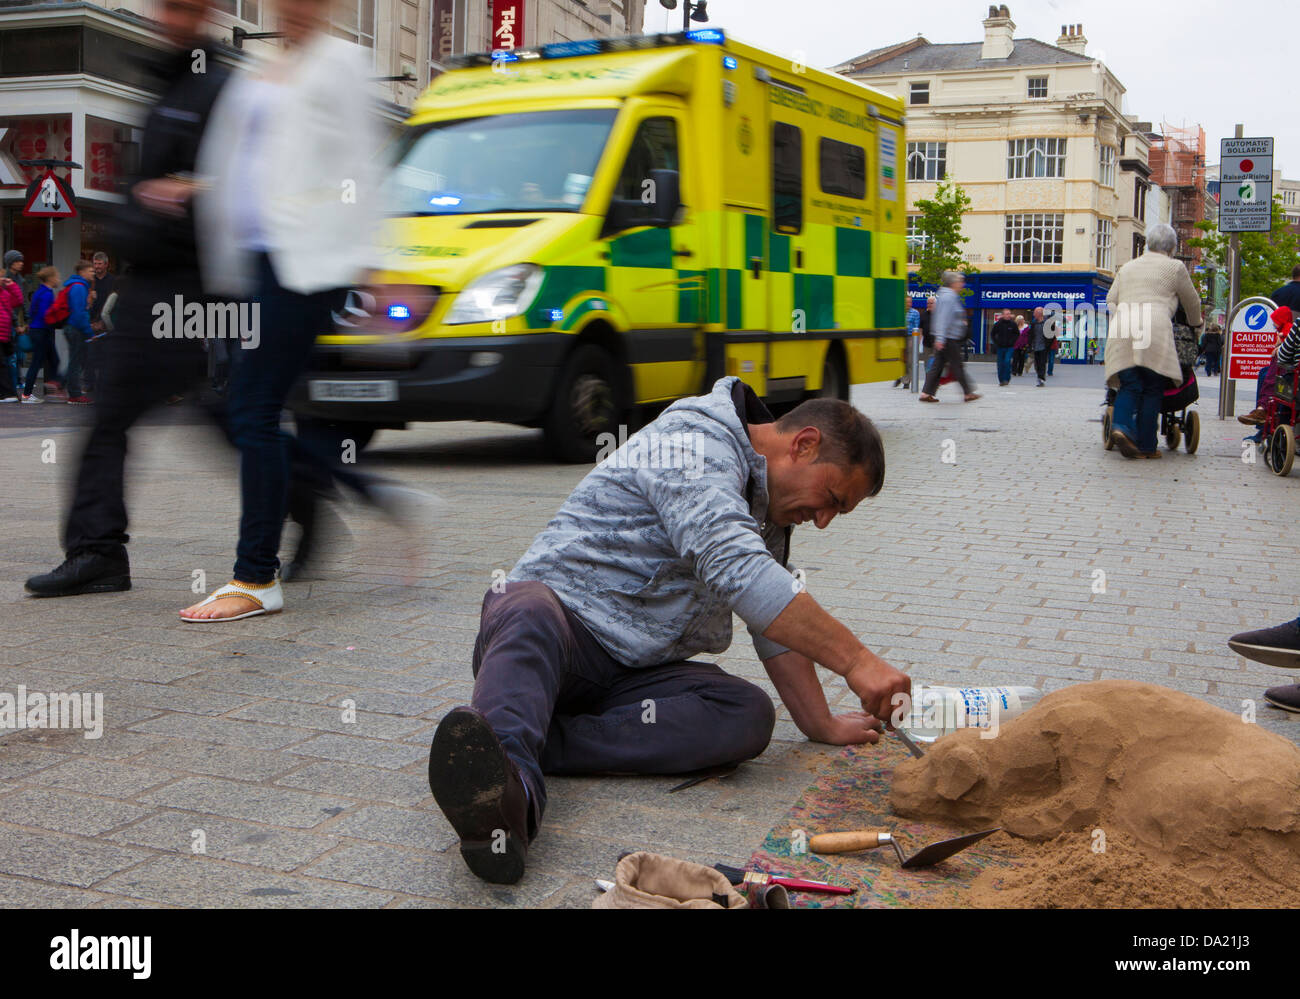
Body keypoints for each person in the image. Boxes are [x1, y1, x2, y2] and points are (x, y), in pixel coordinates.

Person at [426, 377, 912, 884]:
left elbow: (772, 620)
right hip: (554, 638)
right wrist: (858, 662)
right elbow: (737, 568)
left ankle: (516, 745)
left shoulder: (768, 507)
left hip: (633, 675)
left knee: (744, 714)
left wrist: (820, 724)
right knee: (525, 603)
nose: (825, 520)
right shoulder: (694, 442)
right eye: (832, 497)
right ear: (803, 444)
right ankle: (509, 804)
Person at [180, 0, 381, 621]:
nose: (290, 7)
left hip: (308, 264)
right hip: (258, 264)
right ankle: (379, 498)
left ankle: (255, 576)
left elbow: (363, 166)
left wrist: (378, 268)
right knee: (252, 409)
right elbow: (245, 162)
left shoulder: (343, 62)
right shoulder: (264, 62)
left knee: (252, 408)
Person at [25, 0, 232, 599]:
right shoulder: (164, 83)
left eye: (185, 7)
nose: (170, 16)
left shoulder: (217, 88)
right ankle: (98, 551)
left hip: (190, 286)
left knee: (191, 417)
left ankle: (98, 551)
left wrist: (186, 191)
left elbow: (246, 181)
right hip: (152, 283)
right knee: (188, 414)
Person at [1104, 223, 1202, 460]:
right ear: (1172, 247)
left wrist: (1121, 316)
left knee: (1130, 384)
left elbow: (1110, 299)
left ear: (1148, 243)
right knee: (1152, 387)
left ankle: (1121, 427)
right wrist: (1195, 323)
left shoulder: (1128, 267)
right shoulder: (1175, 267)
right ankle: (1147, 446)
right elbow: (1192, 301)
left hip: (1123, 326)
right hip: (1155, 327)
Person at [918, 271, 979, 403]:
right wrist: (940, 338)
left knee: (938, 365)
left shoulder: (948, 296)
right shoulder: (948, 297)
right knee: (957, 365)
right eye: (960, 281)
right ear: (953, 283)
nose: (962, 284)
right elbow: (942, 319)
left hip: (946, 337)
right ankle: (968, 393)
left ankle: (926, 393)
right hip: (948, 337)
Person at [20, 266, 60, 403]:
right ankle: (27, 394)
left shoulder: (38, 292)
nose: (58, 279)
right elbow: (45, 315)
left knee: (52, 360)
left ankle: (53, 387)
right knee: (39, 362)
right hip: (43, 331)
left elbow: (32, 312)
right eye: (56, 276)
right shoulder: (47, 294)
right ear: (51, 278)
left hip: (37, 330)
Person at [60, 261, 95, 404]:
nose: (93, 273)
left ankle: (66, 386)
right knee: (76, 361)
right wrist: (89, 332)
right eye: (90, 270)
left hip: (74, 328)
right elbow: (79, 313)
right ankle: (74, 393)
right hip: (76, 329)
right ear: (82, 272)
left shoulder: (79, 287)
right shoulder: (79, 288)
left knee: (76, 360)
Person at [0, 265, 23, 402]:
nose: (3, 279)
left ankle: (8, 393)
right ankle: (8, 393)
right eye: (1, 276)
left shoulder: (5, 293)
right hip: (3, 334)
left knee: (3, 364)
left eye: (4, 276)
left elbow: (18, 301)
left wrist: (13, 286)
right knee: (3, 364)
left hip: (4, 334)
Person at [990, 309, 1019, 386]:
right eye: (1006, 314)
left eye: (1009, 314)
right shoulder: (998, 324)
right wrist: (996, 342)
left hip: (1009, 347)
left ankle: (1006, 379)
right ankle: (1001, 380)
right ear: (1002, 315)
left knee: (1007, 361)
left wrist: (1012, 342)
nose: (1008, 315)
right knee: (1000, 364)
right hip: (1000, 347)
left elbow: (1017, 334)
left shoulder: (1013, 324)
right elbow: (993, 334)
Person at [896, 302, 921, 388]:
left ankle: (906, 381)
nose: (908, 304)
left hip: (911, 337)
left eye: (909, 302)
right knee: (902, 360)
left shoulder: (915, 313)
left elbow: (917, 328)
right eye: (906, 302)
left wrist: (917, 340)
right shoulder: (899, 312)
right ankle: (902, 378)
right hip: (900, 338)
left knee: (910, 360)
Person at [1030, 306, 1050, 387]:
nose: (1034, 314)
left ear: (1039, 314)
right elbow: (1030, 334)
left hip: (1044, 346)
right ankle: (1039, 376)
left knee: (1042, 363)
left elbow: (1051, 335)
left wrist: (1048, 345)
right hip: (1036, 346)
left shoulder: (1047, 323)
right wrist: (1030, 343)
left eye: (1035, 313)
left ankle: (1041, 378)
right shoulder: (1034, 323)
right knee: (1037, 363)